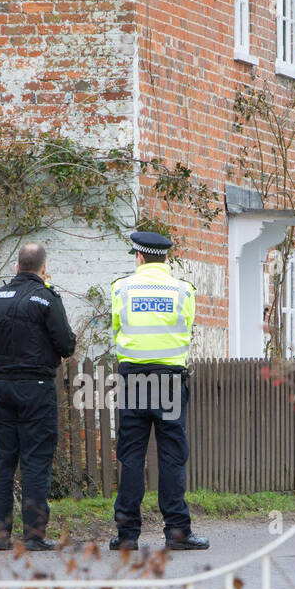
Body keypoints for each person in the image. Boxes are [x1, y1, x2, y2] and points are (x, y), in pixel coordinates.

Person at [109, 230, 208, 551]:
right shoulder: (184, 291)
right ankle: (177, 532)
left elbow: (117, 327)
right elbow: (188, 327)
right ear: (166, 258)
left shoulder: (121, 289)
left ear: (139, 257)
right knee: (171, 456)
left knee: (132, 456)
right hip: (169, 380)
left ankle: (126, 536)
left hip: (134, 379)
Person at [0, 242, 76, 551]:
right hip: (35, 387)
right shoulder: (46, 300)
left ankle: (0, 536)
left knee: (2, 461)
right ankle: (34, 535)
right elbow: (66, 344)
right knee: (36, 461)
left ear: (16, 267)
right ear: (43, 270)